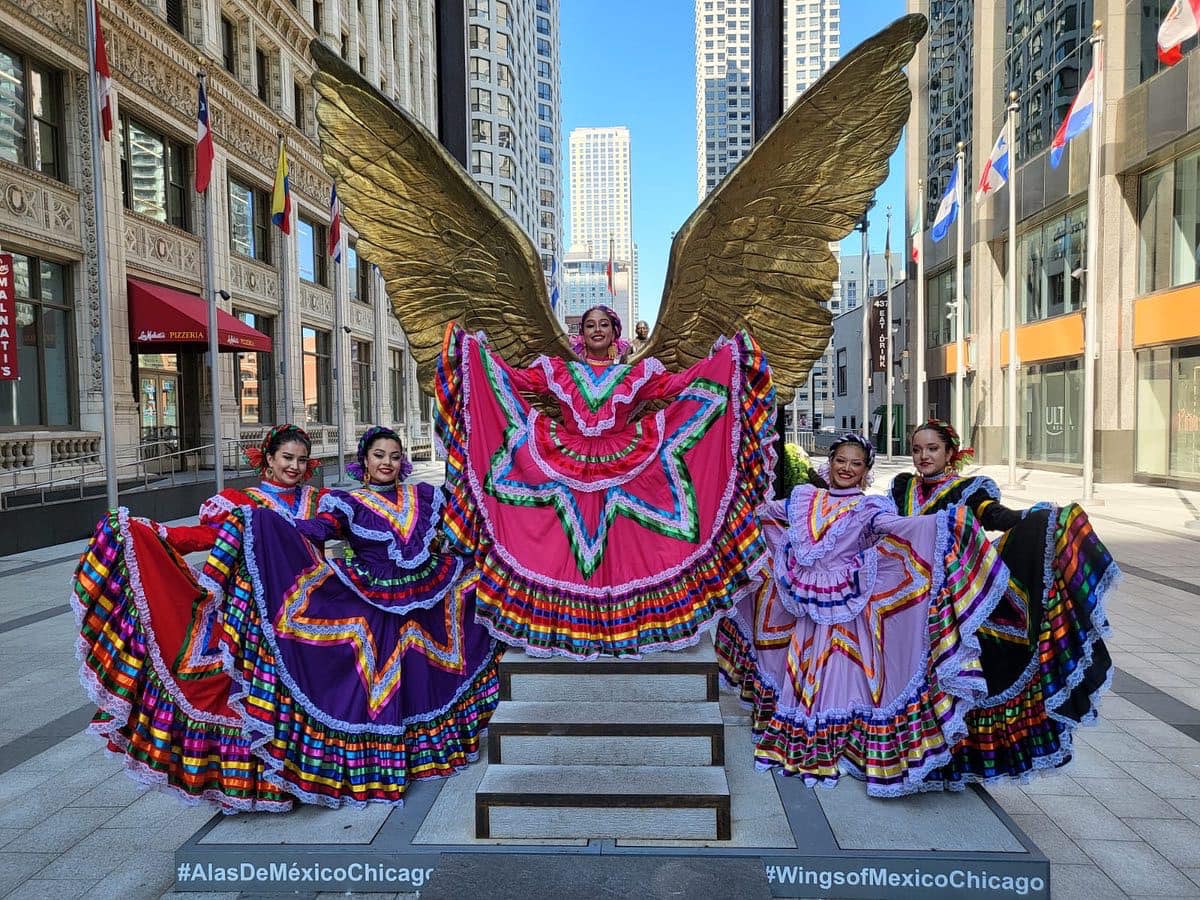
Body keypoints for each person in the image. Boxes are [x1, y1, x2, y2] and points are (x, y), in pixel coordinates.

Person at [435, 304, 777, 658]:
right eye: (589, 325)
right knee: (567, 548)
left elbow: (678, 385)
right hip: (563, 463)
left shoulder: (637, 374)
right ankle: (569, 627)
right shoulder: (558, 371)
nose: (596, 330)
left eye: (604, 325)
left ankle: (624, 626)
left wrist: (722, 361)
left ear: (616, 333)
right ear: (580, 335)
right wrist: (478, 355)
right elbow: (512, 379)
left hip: (627, 465)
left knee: (622, 549)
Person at [206, 426, 500, 807]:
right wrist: (264, 522)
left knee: (423, 676)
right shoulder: (347, 502)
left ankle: (422, 755)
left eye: (394, 456)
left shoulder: (424, 496)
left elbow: (458, 524)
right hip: (369, 600)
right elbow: (315, 530)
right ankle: (379, 768)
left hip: (428, 596)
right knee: (378, 686)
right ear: (364, 460)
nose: (387, 463)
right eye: (379, 455)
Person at [714, 434, 1009, 796]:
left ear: (866, 471)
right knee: (803, 670)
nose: (847, 468)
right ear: (830, 462)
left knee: (841, 679)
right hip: (806, 613)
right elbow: (763, 514)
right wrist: (726, 508)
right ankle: (803, 738)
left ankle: (837, 746)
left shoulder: (871, 508)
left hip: (848, 614)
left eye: (856, 463)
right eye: (841, 460)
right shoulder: (806, 498)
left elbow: (900, 529)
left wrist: (947, 525)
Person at [72, 424, 325, 811]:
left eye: (301, 460)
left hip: (307, 615)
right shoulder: (242, 502)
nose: (293, 466)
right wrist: (154, 533)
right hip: (254, 617)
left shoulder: (319, 501)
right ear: (268, 458)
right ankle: (262, 785)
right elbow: (202, 539)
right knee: (247, 697)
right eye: (286, 458)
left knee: (308, 696)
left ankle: (305, 775)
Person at [889, 420, 1116, 787]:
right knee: (913, 679)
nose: (923, 456)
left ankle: (952, 758)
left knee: (950, 678)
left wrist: (1034, 518)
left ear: (950, 453)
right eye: (917, 449)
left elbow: (996, 516)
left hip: (953, 602)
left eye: (932, 449)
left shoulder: (968, 490)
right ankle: (914, 751)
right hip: (909, 597)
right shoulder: (903, 489)